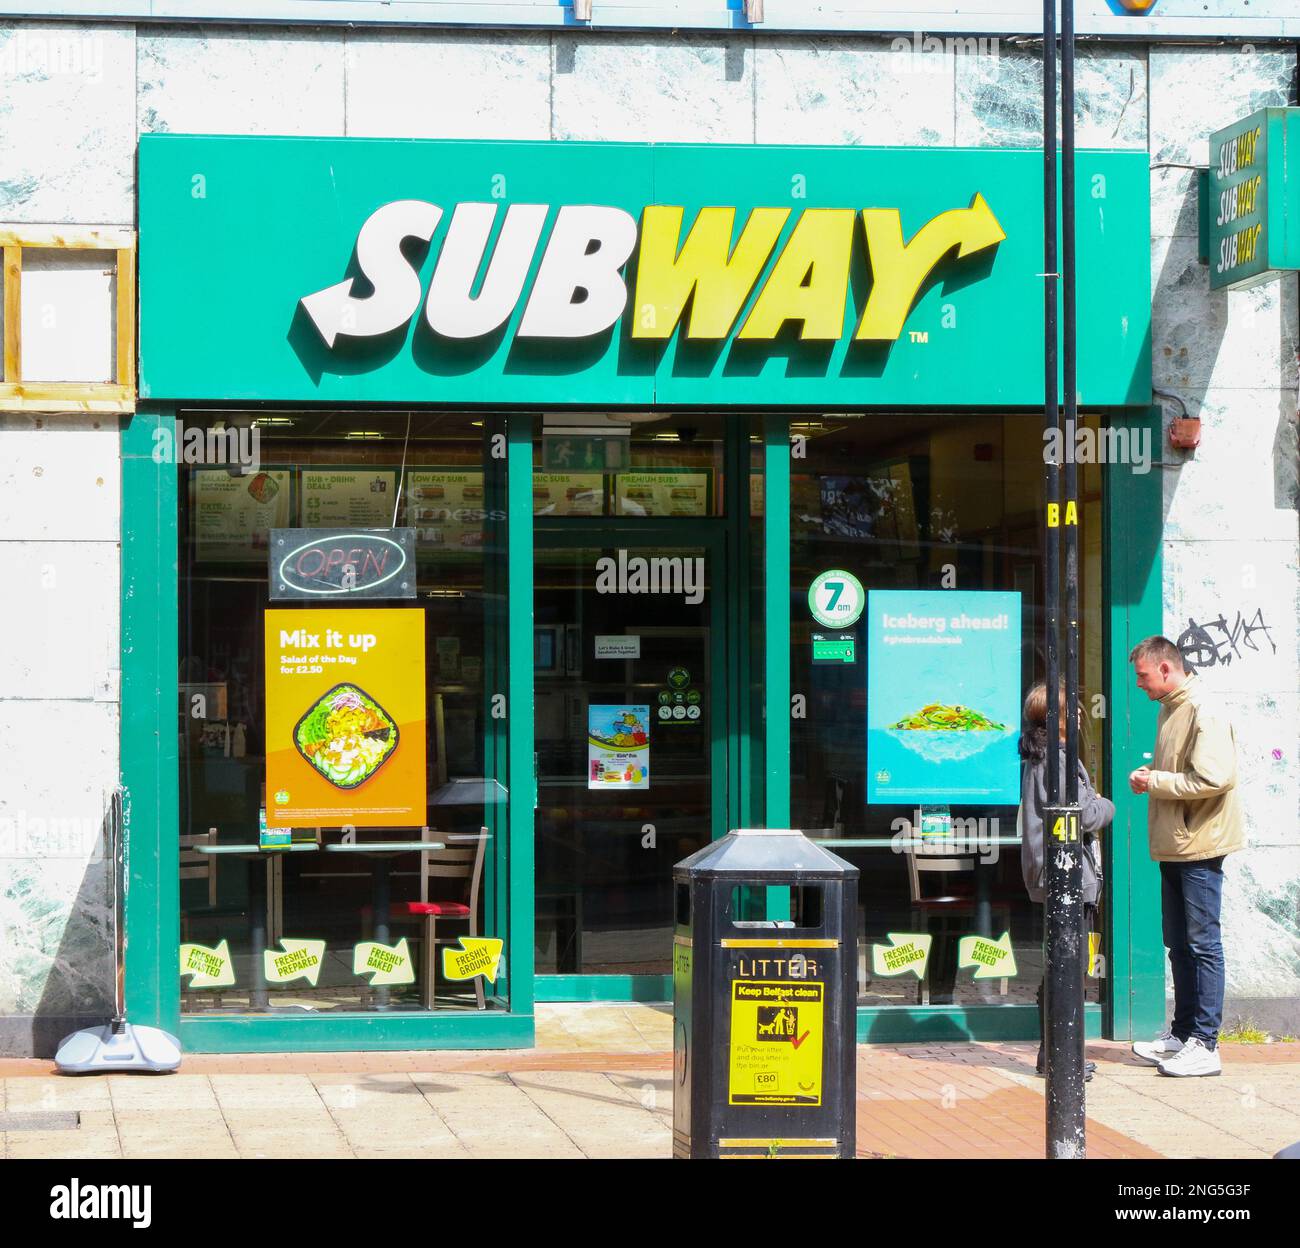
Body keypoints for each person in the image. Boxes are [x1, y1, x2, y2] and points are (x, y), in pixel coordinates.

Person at [1128, 636, 1243, 1077]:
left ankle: (1205, 1045)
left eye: (1142, 675)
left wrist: (1155, 781)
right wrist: (1154, 779)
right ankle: (1181, 1034)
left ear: (1165, 669)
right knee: (1178, 942)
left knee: (1202, 943)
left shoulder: (1203, 709)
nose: (1139, 684)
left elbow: (1215, 777)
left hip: (1199, 843)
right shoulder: (1172, 706)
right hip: (1178, 841)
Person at [1019, 681, 1112, 1079]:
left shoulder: (1040, 758)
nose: (1078, 715)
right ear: (1056, 718)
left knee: (1063, 963)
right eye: (1071, 709)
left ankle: (1053, 1052)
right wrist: (1108, 805)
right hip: (1068, 875)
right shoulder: (1058, 760)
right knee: (1068, 968)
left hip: (1056, 873)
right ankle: (1060, 1054)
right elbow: (1084, 814)